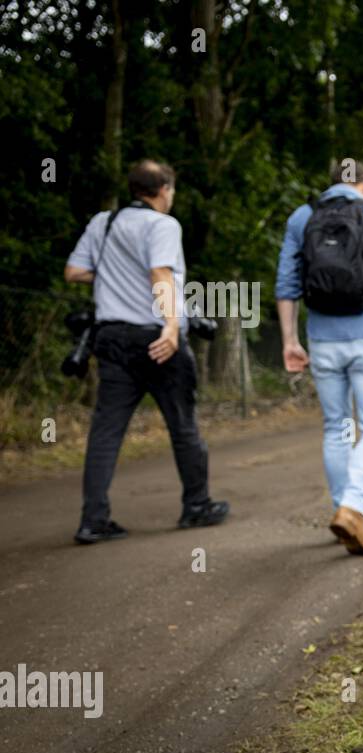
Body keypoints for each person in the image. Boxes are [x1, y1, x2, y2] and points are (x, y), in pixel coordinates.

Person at [64, 159, 229, 544]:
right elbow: (160, 275)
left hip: (112, 338)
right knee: (182, 423)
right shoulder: (163, 225)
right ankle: (196, 505)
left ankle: (93, 519)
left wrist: (113, 276)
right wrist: (172, 325)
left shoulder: (103, 223)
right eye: (171, 190)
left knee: (106, 430)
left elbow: (73, 271)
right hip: (157, 340)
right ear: (163, 189)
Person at [275, 159, 363, 555]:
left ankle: (344, 512)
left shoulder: (303, 217)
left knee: (337, 426)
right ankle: (354, 508)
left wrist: (289, 340)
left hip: (322, 338)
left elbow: (286, 285)